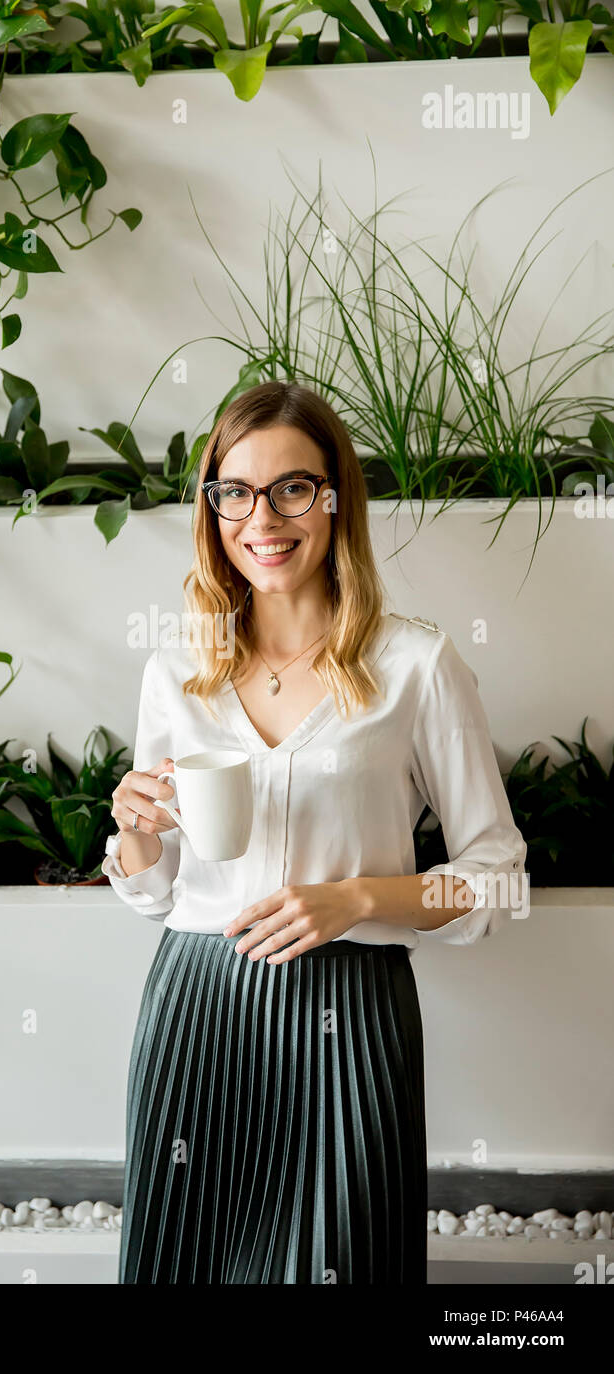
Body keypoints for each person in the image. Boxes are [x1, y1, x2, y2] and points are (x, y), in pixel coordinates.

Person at [102, 379, 527, 1285]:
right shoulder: (178, 668)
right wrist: (135, 834)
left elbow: (496, 877)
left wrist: (357, 899)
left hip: (354, 1017)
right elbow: (160, 891)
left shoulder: (416, 665)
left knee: (339, 1261)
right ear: (213, 507)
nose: (265, 517)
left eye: (294, 487)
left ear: (337, 499)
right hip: (197, 1008)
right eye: (236, 492)